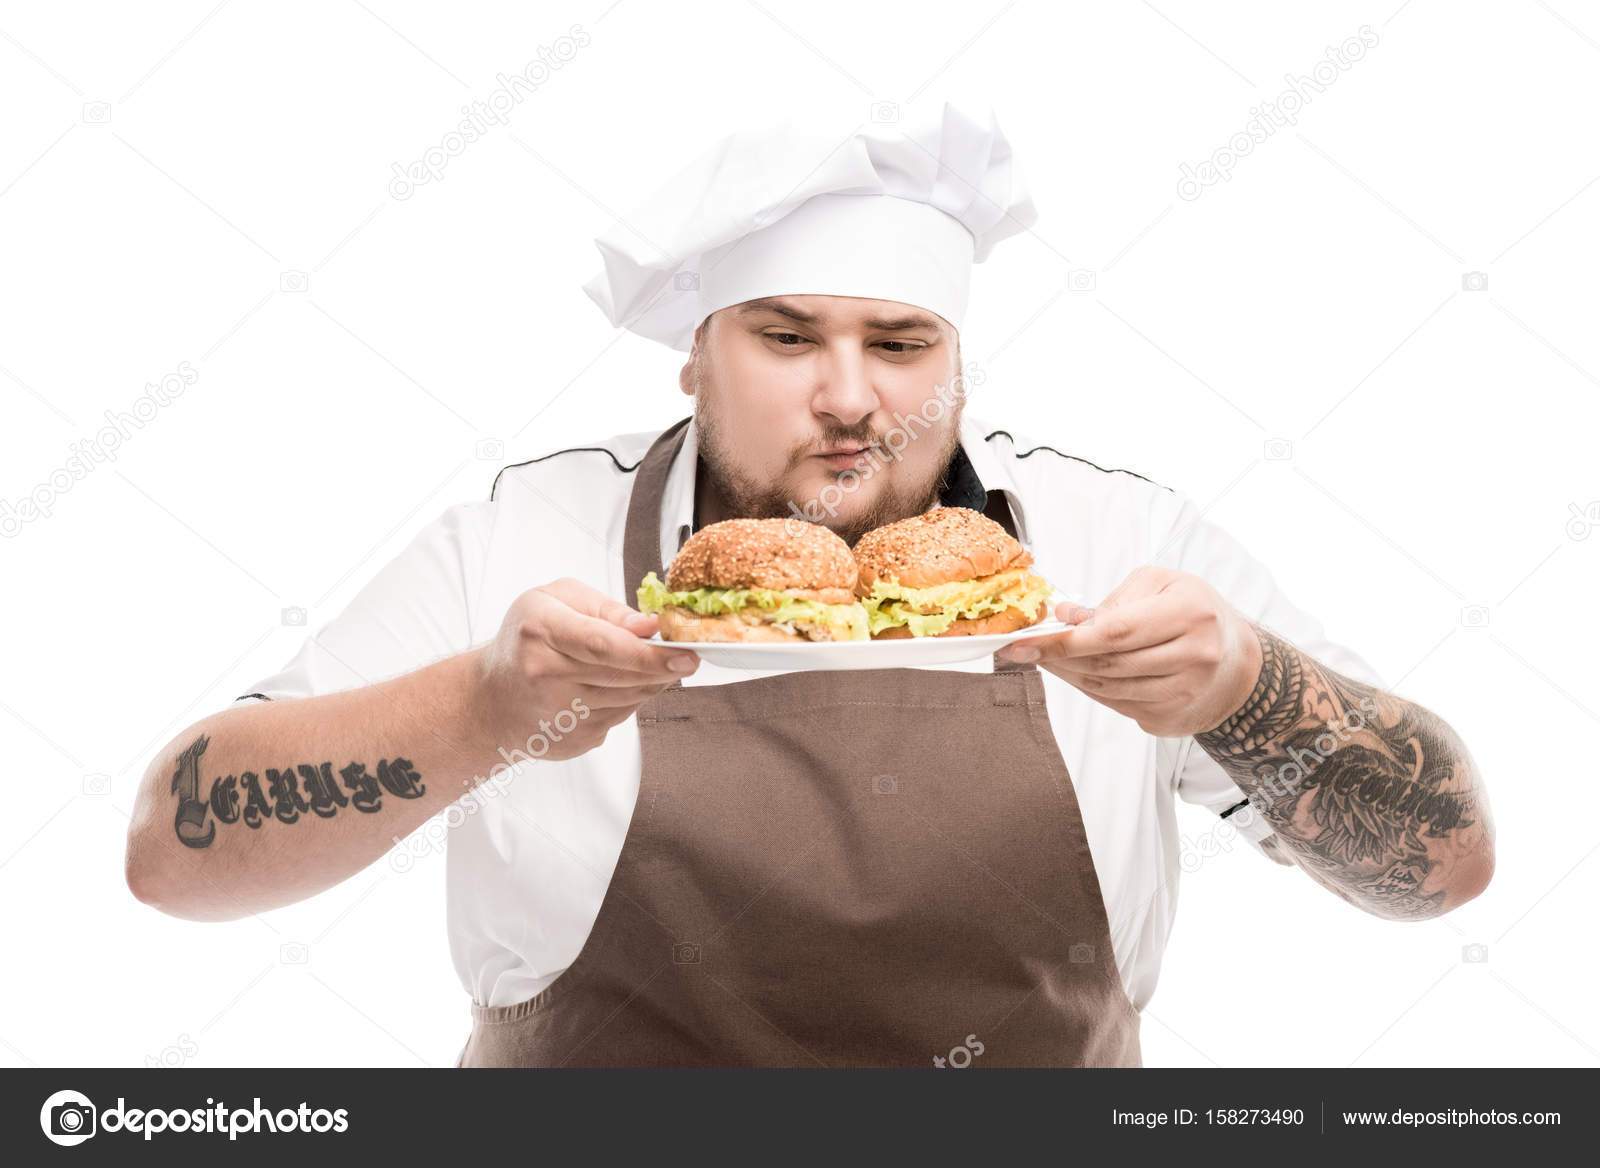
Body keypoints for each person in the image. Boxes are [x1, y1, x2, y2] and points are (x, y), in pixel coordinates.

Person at [124, 102, 1493, 1067]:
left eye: (901, 345)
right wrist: (486, 705)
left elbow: (1441, 873)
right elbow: (174, 860)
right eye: (788, 339)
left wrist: (1251, 688)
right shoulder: (523, 535)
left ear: (955, 366)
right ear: (695, 356)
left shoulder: (1110, 538)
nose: (852, 400)